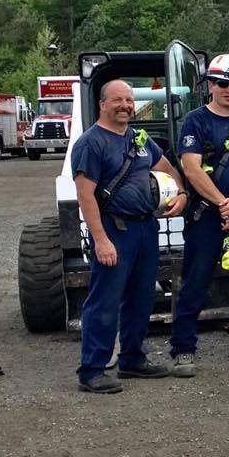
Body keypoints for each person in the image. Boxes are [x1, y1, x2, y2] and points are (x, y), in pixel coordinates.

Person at [72, 80, 188, 392]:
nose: (125, 105)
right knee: (105, 301)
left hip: (145, 228)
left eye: (129, 100)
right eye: (118, 100)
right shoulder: (91, 144)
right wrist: (101, 240)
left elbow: (166, 167)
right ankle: (92, 369)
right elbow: (86, 196)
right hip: (114, 230)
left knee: (141, 297)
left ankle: (133, 359)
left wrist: (181, 193)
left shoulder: (139, 139)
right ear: (103, 104)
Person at [170, 55, 229, 377]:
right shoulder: (196, 121)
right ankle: (183, 348)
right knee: (195, 280)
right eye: (223, 84)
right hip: (208, 214)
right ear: (211, 84)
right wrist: (224, 204)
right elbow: (191, 169)